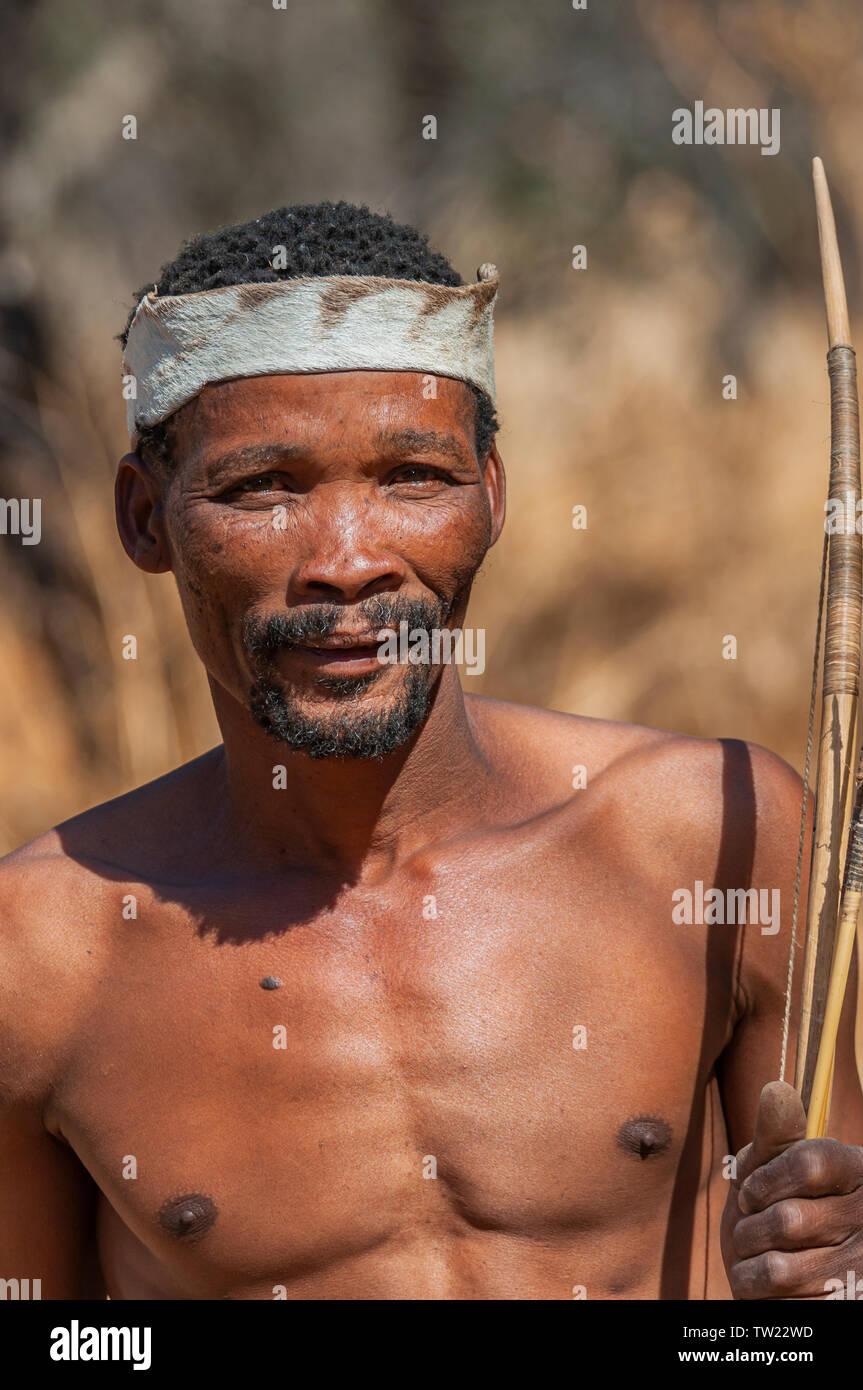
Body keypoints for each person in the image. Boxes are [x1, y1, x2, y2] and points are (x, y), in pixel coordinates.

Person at [1, 201, 861, 1301]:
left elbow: (822, 1263)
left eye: (412, 476)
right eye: (262, 487)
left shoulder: (718, 838)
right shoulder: (40, 957)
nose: (348, 562)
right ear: (143, 519)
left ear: (490, 496)